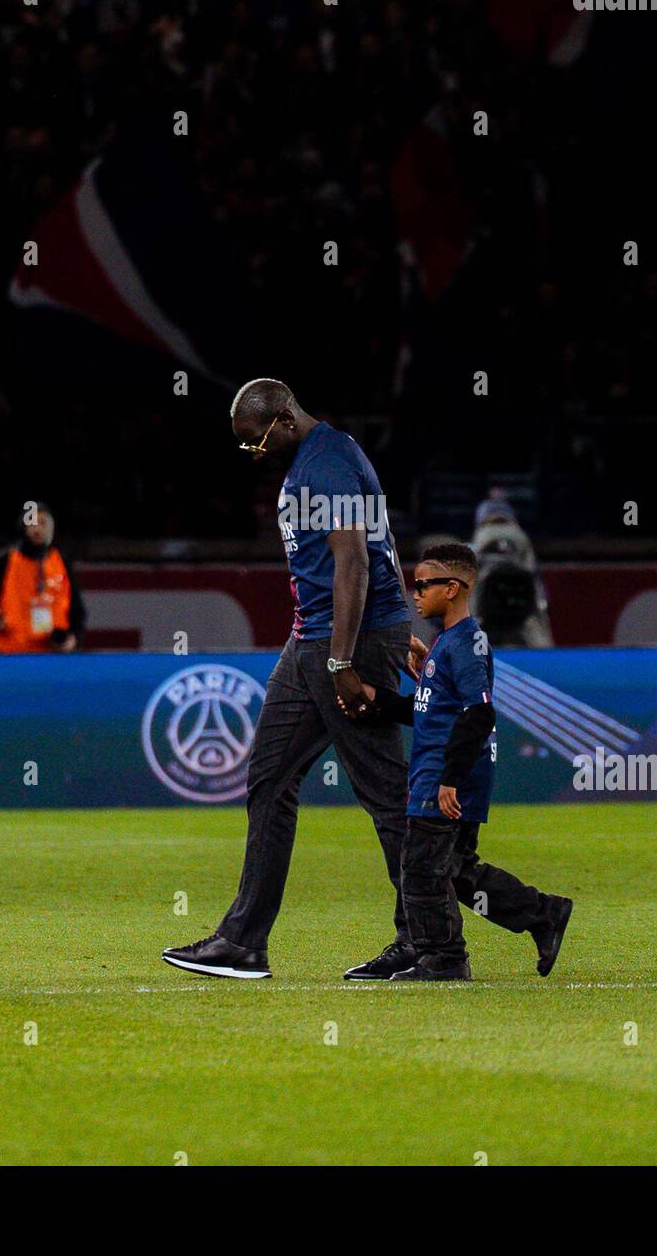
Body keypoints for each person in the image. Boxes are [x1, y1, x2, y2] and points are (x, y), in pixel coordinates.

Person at [163, 378, 426, 981]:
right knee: (269, 780)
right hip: (319, 634)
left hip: (340, 643)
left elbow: (354, 560)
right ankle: (242, 942)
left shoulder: (325, 464)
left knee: (386, 792)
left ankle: (428, 941)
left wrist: (345, 661)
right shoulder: (325, 455)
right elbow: (373, 552)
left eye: (257, 443)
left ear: (283, 419)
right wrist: (388, 626)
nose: (255, 456)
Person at [343, 542, 572, 981]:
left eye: (423, 585)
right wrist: (378, 700)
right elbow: (427, 713)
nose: (416, 593)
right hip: (445, 774)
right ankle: (544, 914)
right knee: (456, 870)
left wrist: (449, 780)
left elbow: (479, 713)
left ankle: (444, 960)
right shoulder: (448, 645)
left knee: (422, 871)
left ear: (451, 588)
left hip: (444, 779)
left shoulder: (467, 643)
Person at [0, 503, 86, 653]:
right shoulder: (6, 561)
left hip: (53, 655)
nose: (37, 529)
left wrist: (73, 639)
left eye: (43, 523)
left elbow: (77, 611)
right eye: (32, 523)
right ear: (24, 526)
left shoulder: (61, 562)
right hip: (11, 654)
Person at [471, 487, 553, 647]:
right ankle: (544, 648)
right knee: (536, 618)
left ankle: (473, 629)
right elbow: (532, 572)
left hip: (487, 609)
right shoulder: (518, 534)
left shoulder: (481, 534)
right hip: (520, 610)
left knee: (474, 583)